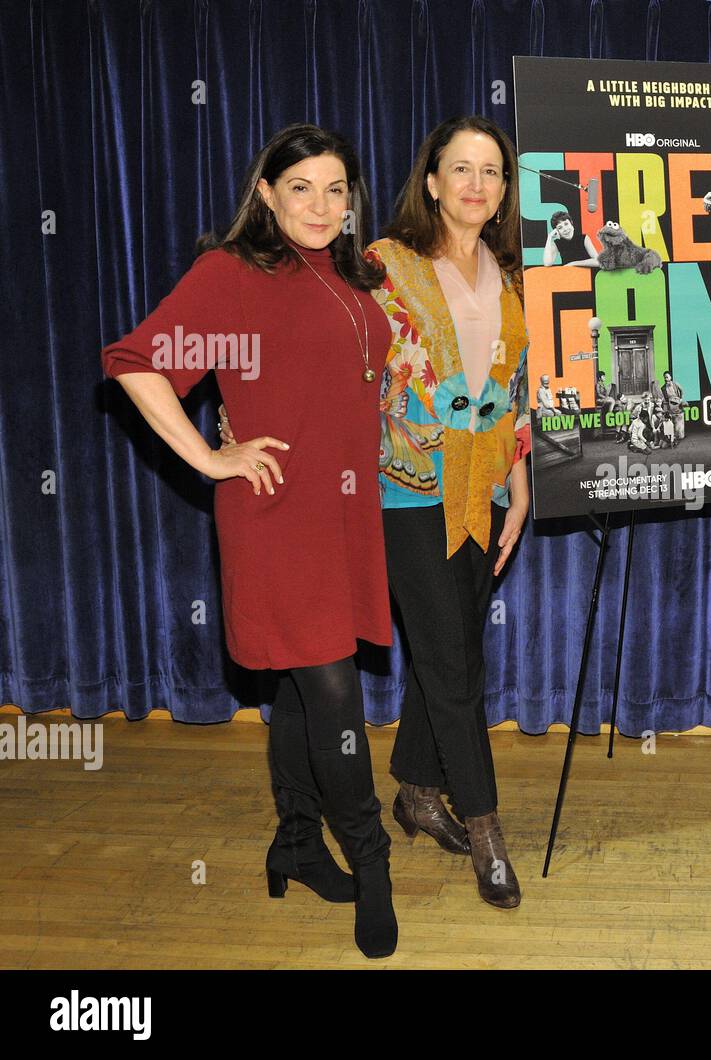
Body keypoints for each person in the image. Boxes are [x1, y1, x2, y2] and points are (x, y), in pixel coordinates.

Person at [102, 124, 398, 959]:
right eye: (300, 186)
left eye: (337, 189)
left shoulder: (350, 275)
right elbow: (135, 361)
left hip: (344, 512)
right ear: (264, 194)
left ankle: (296, 842)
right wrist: (209, 456)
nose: (320, 204)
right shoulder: (232, 274)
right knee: (334, 690)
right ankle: (370, 863)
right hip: (276, 514)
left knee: (305, 690)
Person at [367, 116, 531, 910]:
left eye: (491, 171)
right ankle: (486, 828)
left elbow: (519, 388)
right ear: (430, 181)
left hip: (488, 486)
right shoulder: (386, 266)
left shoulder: (512, 272)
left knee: (447, 650)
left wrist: (521, 483)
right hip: (409, 488)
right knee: (457, 667)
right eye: (460, 169)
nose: (476, 183)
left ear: (504, 190)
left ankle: (416, 791)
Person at [661, 371, 685, 445]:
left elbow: (682, 391)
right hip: (670, 406)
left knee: (679, 425)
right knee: (671, 422)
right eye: (665, 377)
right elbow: (665, 399)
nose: (666, 379)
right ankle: (673, 438)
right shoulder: (663, 388)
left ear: (670, 377)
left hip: (678, 404)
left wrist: (681, 399)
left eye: (667, 377)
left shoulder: (676, 384)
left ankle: (678, 436)